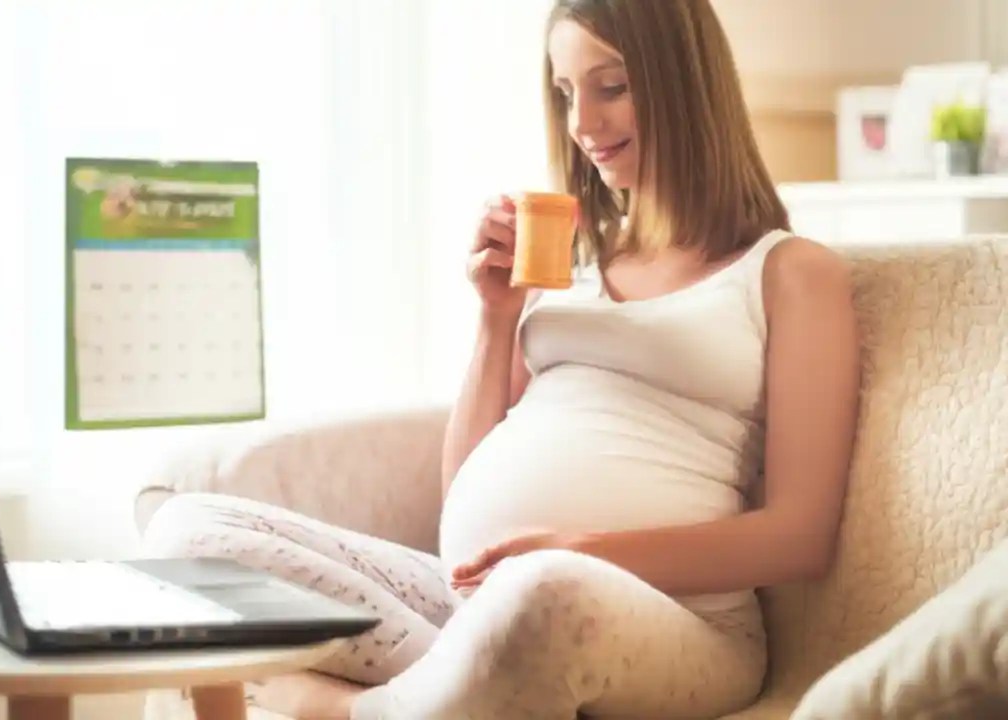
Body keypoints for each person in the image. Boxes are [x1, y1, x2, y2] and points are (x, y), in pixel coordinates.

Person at [142, 1, 860, 717]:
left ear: (685, 83)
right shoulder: (569, 264)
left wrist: (580, 552)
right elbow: (463, 489)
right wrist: (496, 316)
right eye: (565, 93)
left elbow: (799, 538)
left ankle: (345, 710)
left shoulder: (789, 273)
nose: (582, 124)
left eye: (611, 87)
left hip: (673, 621)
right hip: (475, 598)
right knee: (187, 532)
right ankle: (473, 682)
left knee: (543, 595)